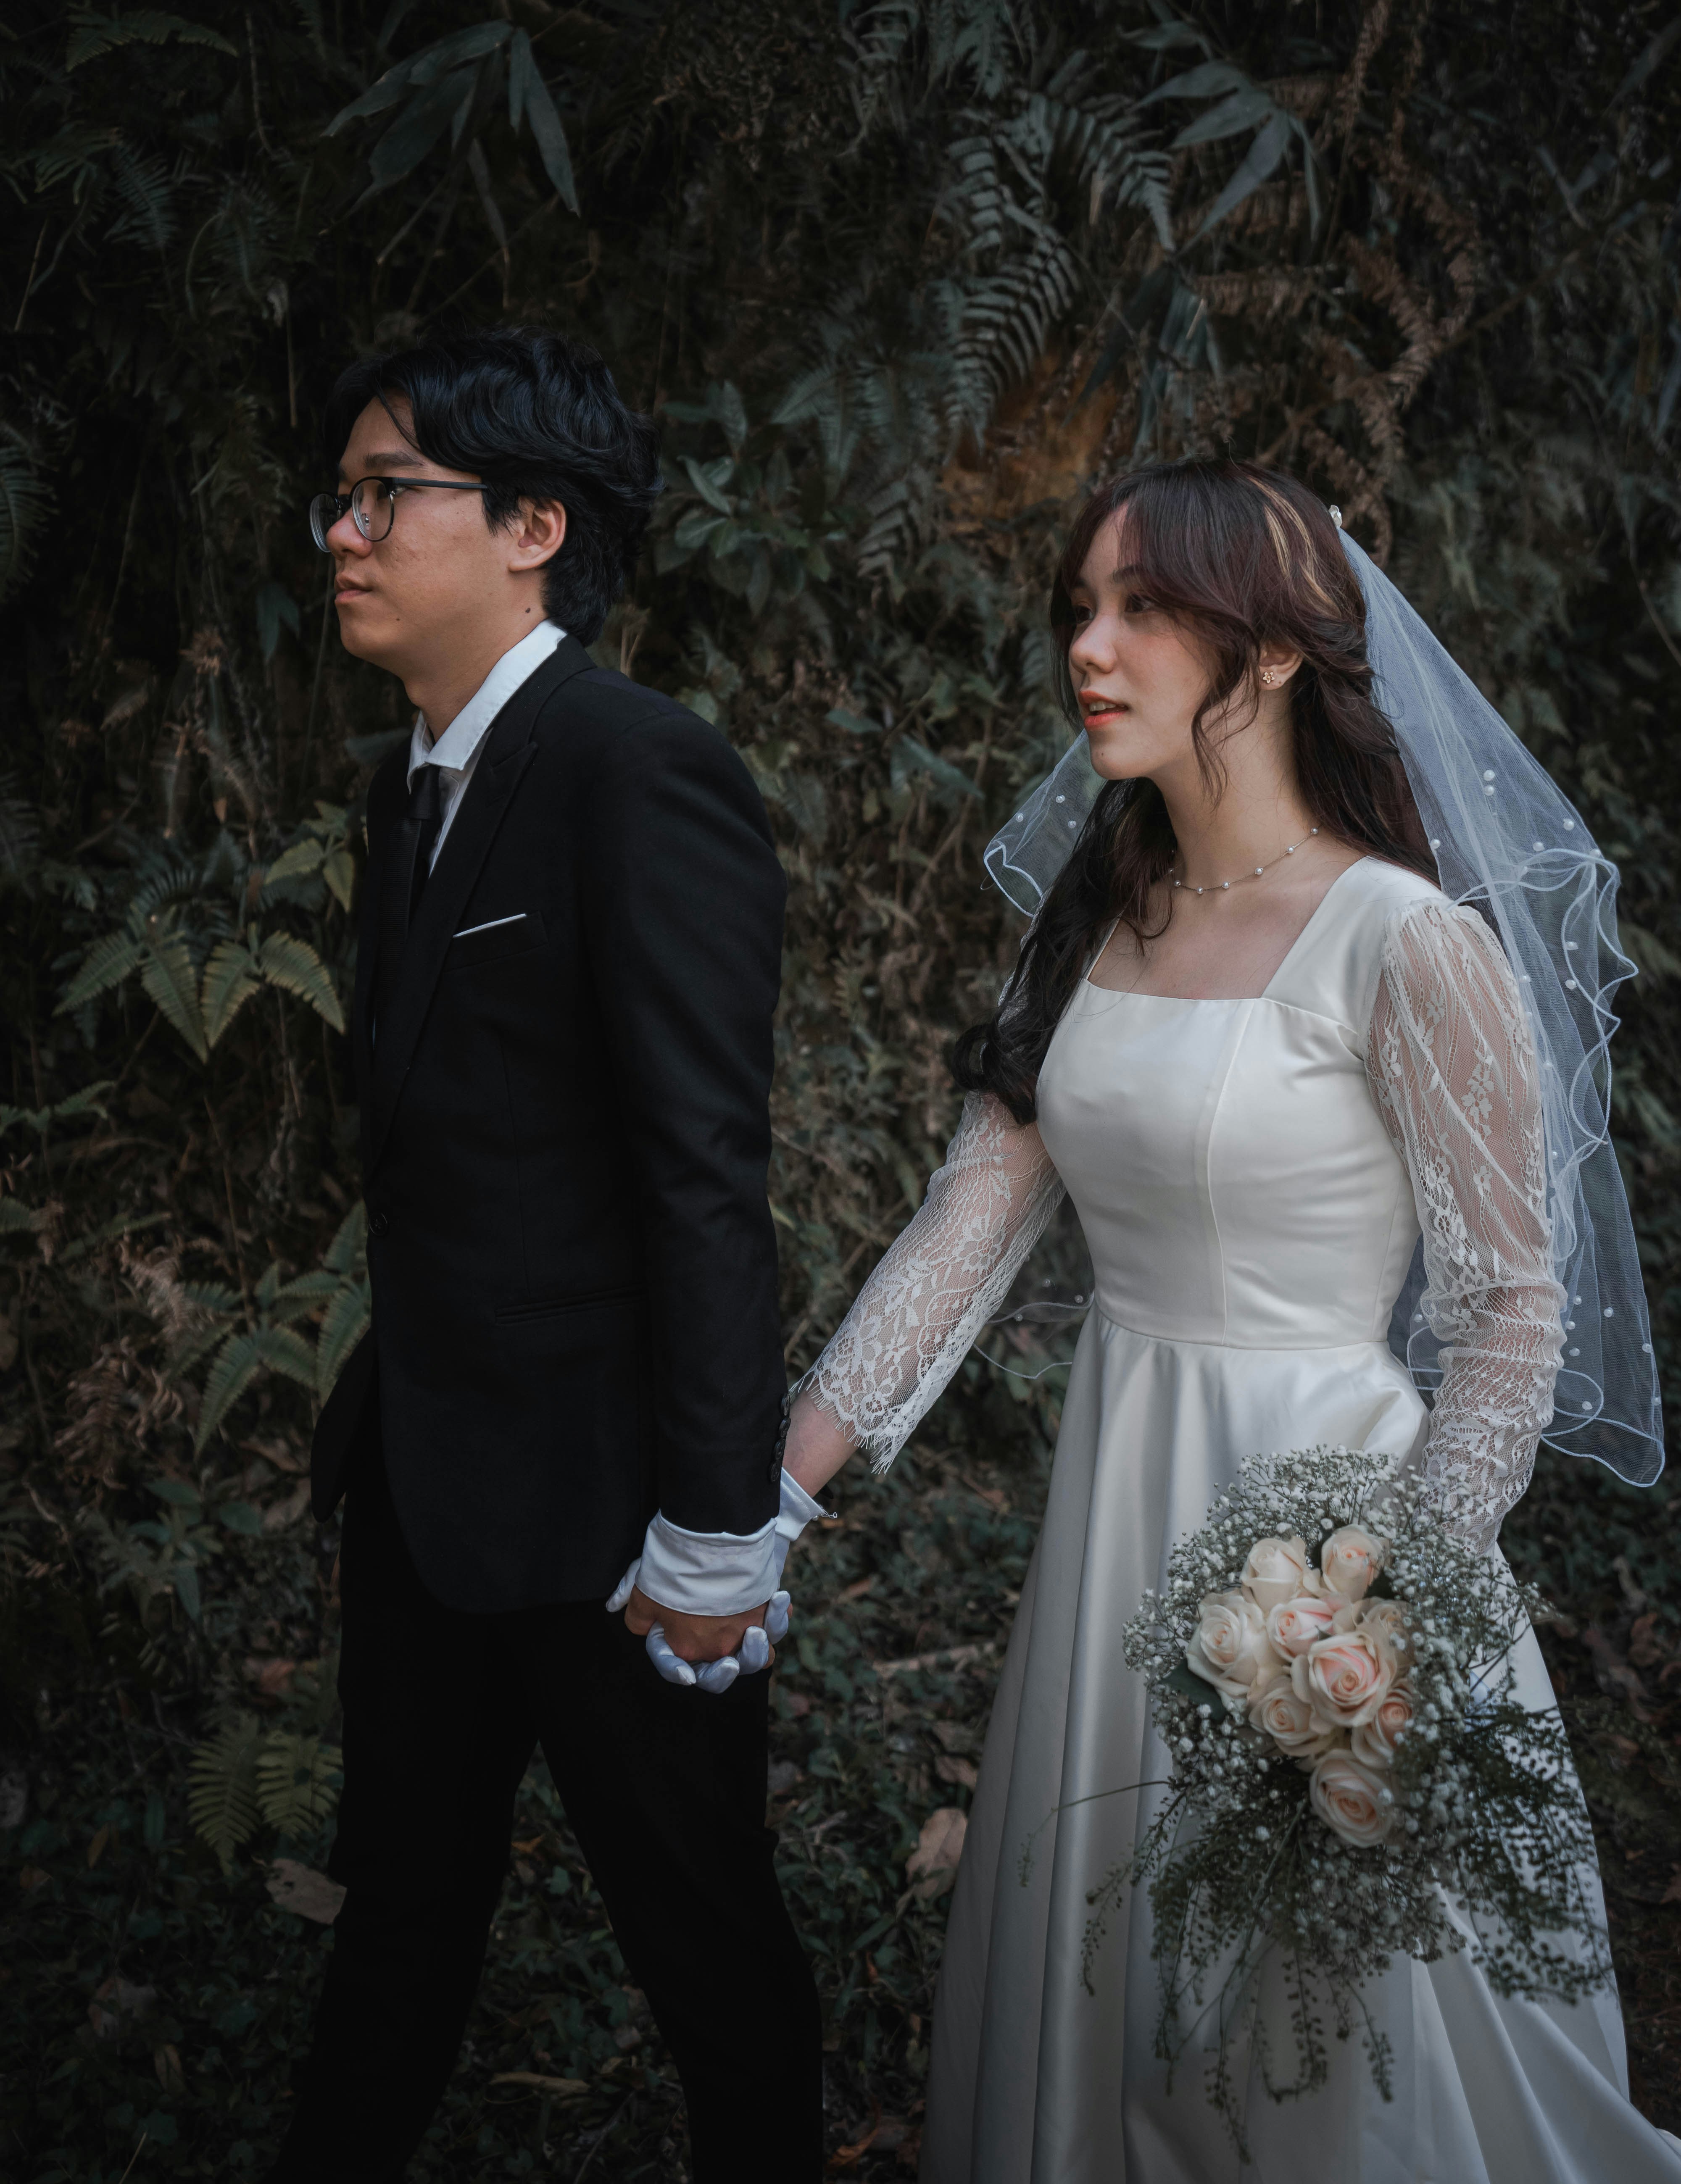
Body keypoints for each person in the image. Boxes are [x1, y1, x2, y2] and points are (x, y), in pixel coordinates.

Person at [781, 461, 1676, 2183]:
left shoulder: (1401, 942)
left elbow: (1505, 1316)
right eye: (1076, 612)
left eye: (1139, 611)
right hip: (1119, 1516)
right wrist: (765, 1501)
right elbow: (961, 1235)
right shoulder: (1090, 926)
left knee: (1317, 2053)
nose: (1087, 653)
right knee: (1106, 1994)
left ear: (1263, 657)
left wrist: (1377, 1626)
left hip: (1333, 1557)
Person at [268, 326, 823, 2183]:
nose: (339, 532)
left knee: (707, 1956)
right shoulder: (408, 785)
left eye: (383, 495)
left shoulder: (635, 772)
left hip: (611, 1517)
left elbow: (698, 1176)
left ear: (531, 527)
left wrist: (716, 1527)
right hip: (432, 1487)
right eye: (338, 496)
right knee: (398, 1927)